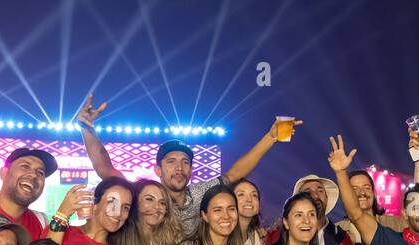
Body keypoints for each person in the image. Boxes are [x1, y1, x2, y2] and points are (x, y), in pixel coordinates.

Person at [76, 94, 293, 236]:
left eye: (185, 162)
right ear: (157, 170)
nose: (179, 168)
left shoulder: (199, 194)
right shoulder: (144, 195)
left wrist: (271, 137)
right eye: (171, 162)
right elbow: (105, 169)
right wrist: (87, 129)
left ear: (191, 170)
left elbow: (234, 174)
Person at [291, 175, 357, 245]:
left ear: (326, 198)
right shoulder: (284, 237)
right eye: (308, 192)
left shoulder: (342, 238)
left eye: (320, 191)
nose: (315, 196)